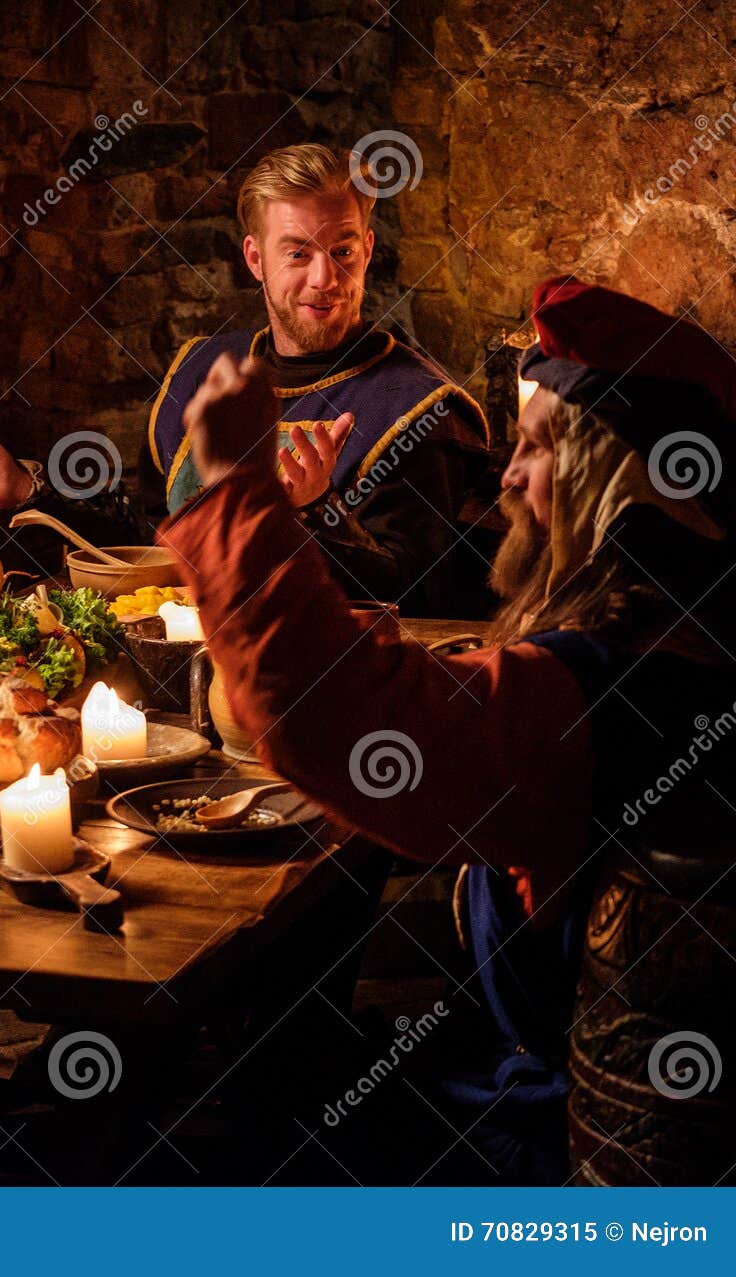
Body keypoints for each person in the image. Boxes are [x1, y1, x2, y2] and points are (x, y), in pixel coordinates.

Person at [155, 275, 736, 1183]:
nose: (506, 474)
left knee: (232, 1119)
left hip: (545, 1146)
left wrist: (234, 493)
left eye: (539, 449)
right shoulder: (690, 631)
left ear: (616, 483)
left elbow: (339, 721)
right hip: (524, 1081)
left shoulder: (607, 684)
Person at [0, 143, 490, 613]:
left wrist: (316, 512)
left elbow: (418, 599)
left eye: (344, 251)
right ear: (255, 259)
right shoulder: (203, 370)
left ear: (368, 248)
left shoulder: (418, 409)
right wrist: (27, 491)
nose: (324, 279)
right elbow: (154, 541)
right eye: (298, 253)